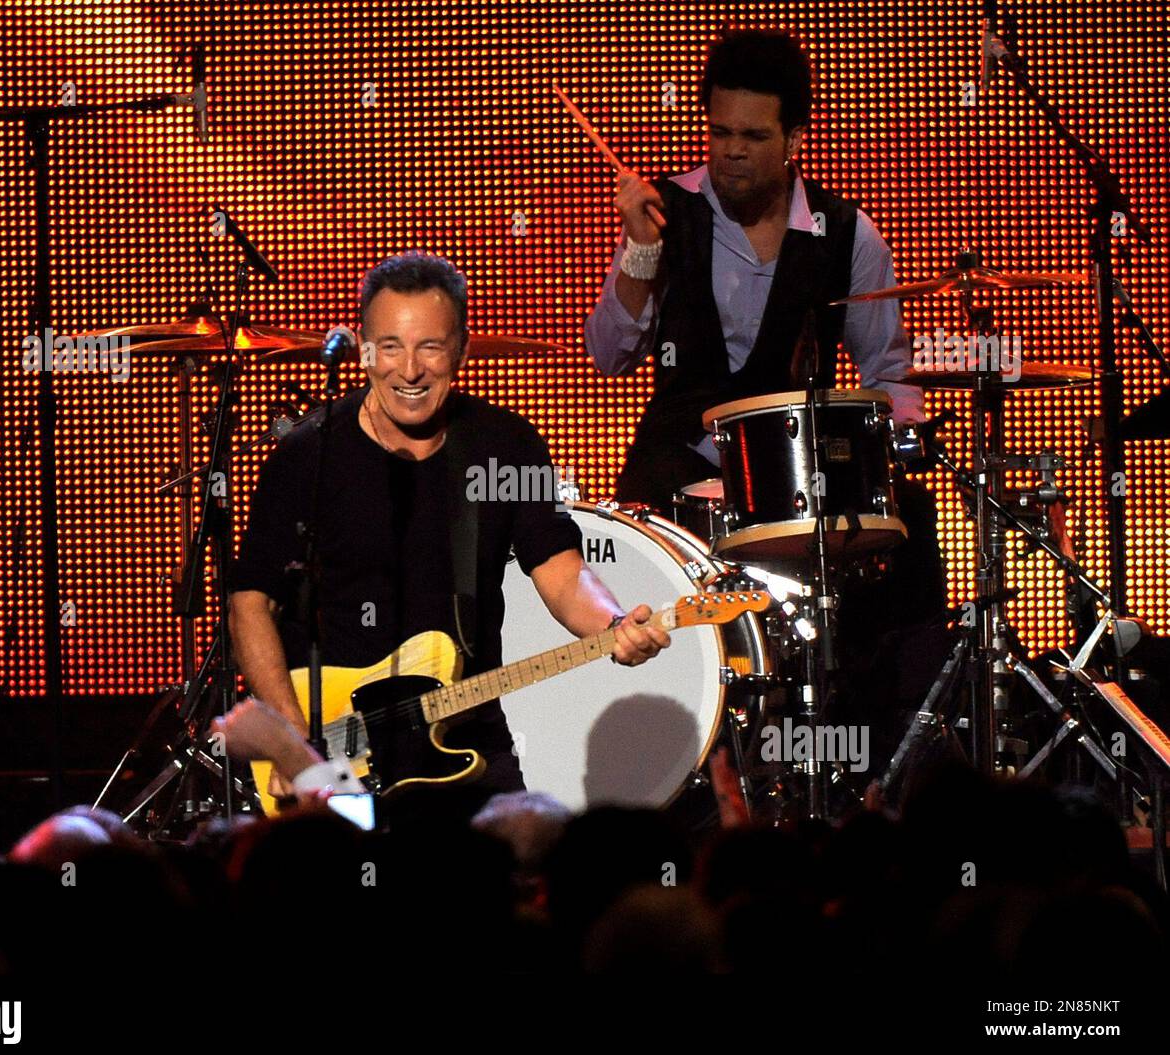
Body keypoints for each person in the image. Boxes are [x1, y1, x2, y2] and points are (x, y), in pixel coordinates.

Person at [229, 252, 670, 824]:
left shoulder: (503, 446)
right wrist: (295, 748)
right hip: (330, 749)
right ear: (363, 349)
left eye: (429, 348)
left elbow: (561, 570)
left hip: (467, 739)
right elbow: (250, 604)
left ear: (461, 350)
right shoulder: (309, 454)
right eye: (390, 346)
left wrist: (613, 625)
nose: (409, 370)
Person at [586, 26, 946, 635]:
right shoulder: (662, 214)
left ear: (793, 140)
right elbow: (609, 355)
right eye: (720, 133)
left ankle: (892, 721)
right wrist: (642, 253)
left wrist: (891, 451)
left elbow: (888, 372)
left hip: (800, 479)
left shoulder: (848, 234)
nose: (731, 151)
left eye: (753, 136)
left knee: (907, 522)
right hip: (678, 470)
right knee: (627, 566)